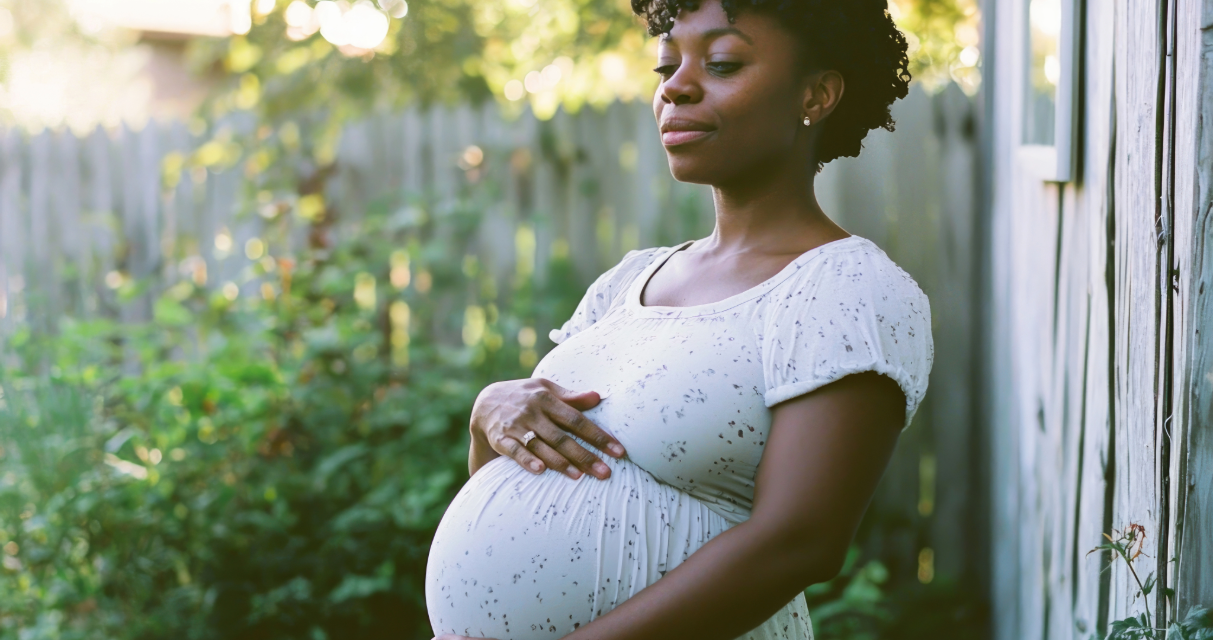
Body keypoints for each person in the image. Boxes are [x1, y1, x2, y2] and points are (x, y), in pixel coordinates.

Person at [424, 0, 930, 638]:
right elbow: (531, 482)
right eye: (667, 64)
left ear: (817, 93)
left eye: (721, 63)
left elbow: (801, 542)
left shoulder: (844, 287)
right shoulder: (626, 282)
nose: (675, 86)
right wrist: (489, 417)